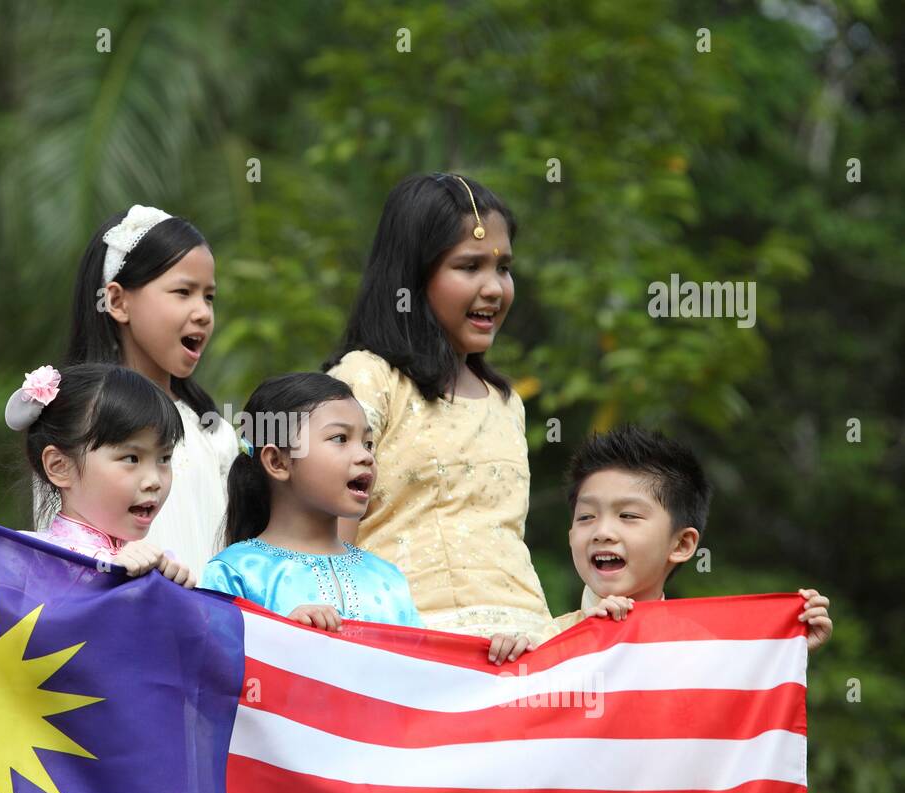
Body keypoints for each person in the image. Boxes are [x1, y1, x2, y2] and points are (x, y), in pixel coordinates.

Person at [325, 172, 551, 642]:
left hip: (525, 649)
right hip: (412, 653)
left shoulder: (507, 403)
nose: (494, 288)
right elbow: (329, 536)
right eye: (469, 267)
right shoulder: (368, 378)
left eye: (503, 268)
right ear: (412, 276)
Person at [536, 424, 833, 654]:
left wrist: (787, 654)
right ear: (571, 534)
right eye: (586, 517)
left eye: (628, 516)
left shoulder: (702, 651)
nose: (602, 532)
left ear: (681, 544)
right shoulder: (540, 641)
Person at [62, 204, 237, 569]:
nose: (203, 312)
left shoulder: (212, 431)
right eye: (183, 291)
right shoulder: (76, 420)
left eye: (209, 296)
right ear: (117, 301)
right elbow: (61, 551)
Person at [201, 373, 423, 630]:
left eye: (368, 443)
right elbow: (215, 663)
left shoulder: (389, 579)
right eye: (340, 438)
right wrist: (285, 636)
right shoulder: (235, 573)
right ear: (277, 461)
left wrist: (480, 656)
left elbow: (422, 667)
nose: (366, 456)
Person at [5, 363, 195, 586]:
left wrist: (178, 594)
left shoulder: (163, 567)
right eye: (132, 458)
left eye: (164, 458)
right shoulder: (26, 558)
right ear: (59, 466)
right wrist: (109, 580)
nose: (154, 481)